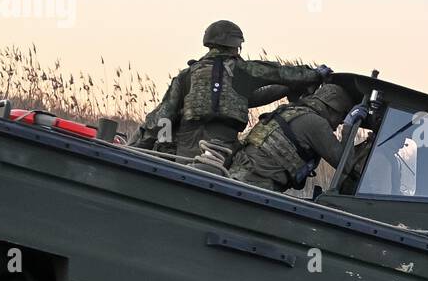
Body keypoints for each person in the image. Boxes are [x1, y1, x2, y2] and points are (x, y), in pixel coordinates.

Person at [129, 21, 329, 157]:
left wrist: (151, 148)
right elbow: (280, 72)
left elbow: (163, 116)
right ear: (235, 46)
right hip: (222, 148)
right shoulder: (243, 70)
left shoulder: (187, 75)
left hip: (186, 149)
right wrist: (316, 74)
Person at [229, 83, 362, 191]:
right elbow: (346, 165)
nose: (339, 122)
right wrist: (349, 127)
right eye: (342, 116)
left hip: (239, 176)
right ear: (333, 109)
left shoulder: (292, 110)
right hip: (257, 184)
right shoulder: (315, 123)